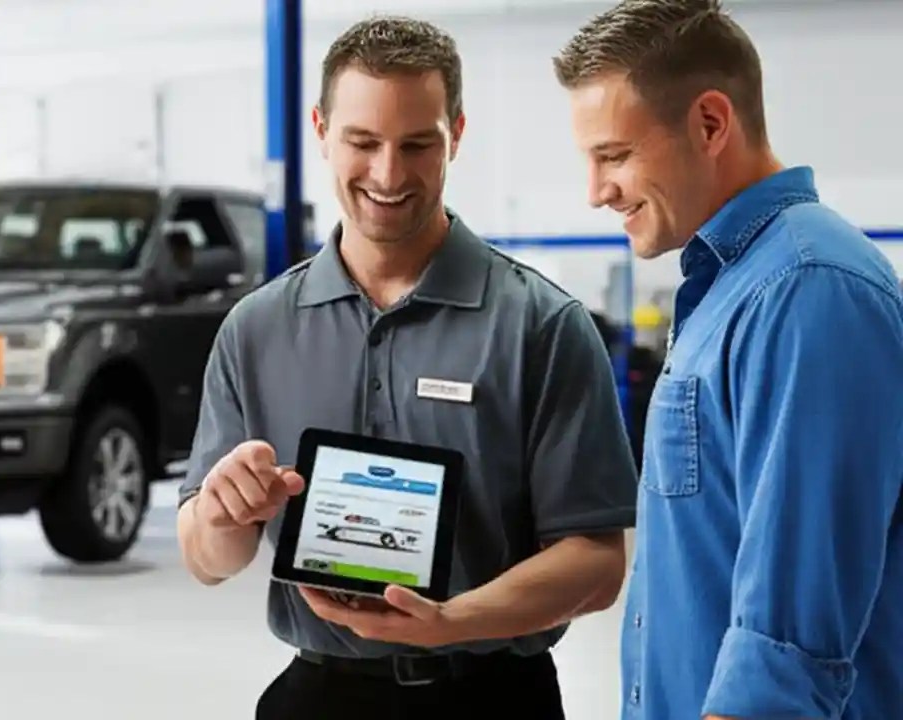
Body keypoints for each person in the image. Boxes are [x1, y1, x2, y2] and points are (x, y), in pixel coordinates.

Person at [176, 15, 639, 720]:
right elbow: (210, 558)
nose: (388, 175)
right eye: (363, 142)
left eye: (417, 145)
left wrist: (452, 620)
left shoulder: (541, 326)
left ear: (456, 134)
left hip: (491, 697)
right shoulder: (258, 328)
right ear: (321, 129)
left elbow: (599, 561)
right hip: (317, 694)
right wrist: (221, 510)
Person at [553, 1, 903, 718]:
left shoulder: (807, 291)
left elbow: (788, 642)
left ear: (711, 124)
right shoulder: (731, 286)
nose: (596, 193)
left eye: (614, 156)